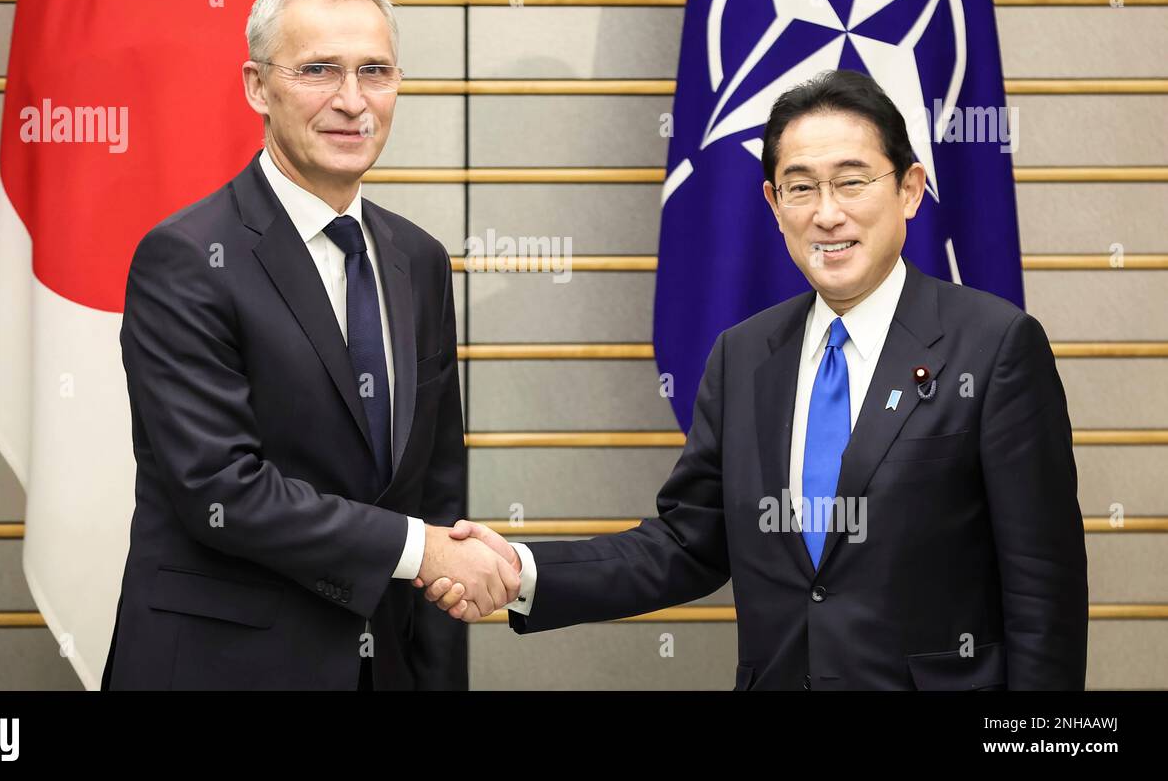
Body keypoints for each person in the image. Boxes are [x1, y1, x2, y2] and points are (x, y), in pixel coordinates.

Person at [423, 69, 1089, 690]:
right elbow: (687, 543)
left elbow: (1043, 594)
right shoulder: (744, 357)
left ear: (909, 190)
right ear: (774, 204)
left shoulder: (995, 346)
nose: (826, 213)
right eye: (801, 187)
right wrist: (522, 572)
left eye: (852, 181)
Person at [101, 0, 518, 690]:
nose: (351, 101)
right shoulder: (187, 258)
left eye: (375, 72)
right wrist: (422, 551)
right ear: (257, 87)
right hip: (221, 669)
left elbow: (436, 491)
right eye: (319, 70)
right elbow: (221, 489)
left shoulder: (417, 259)